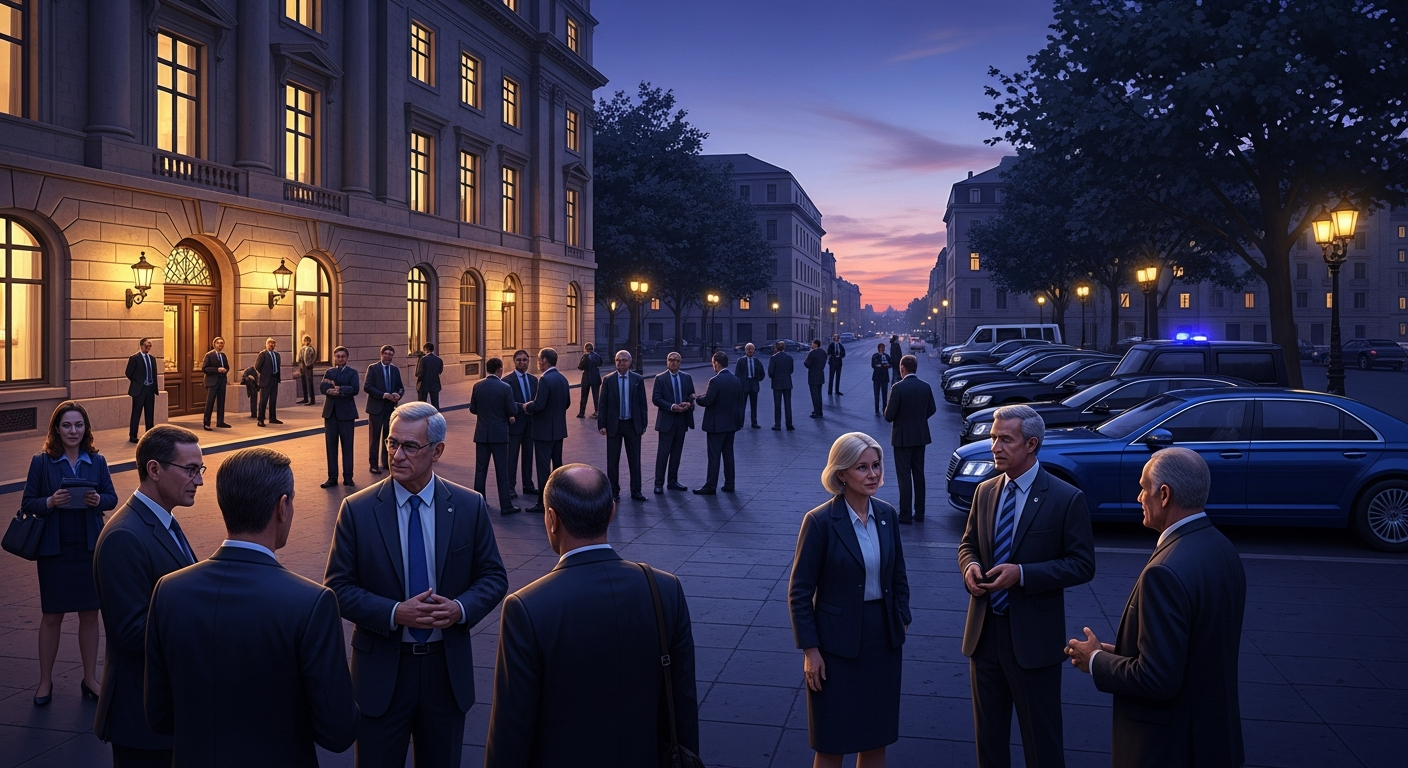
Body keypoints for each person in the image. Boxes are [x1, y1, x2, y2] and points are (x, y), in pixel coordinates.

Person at [145, 448, 358, 766]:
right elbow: (338, 732)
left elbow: (159, 717)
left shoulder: (169, 591)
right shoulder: (311, 603)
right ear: (282, 507)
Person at [323, 402, 509, 768]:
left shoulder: (469, 506)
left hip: (445, 674)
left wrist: (460, 609)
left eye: (410, 446)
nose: (396, 455)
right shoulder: (357, 510)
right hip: (381, 677)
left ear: (437, 451)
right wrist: (395, 613)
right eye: (392, 444)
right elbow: (337, 587)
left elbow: (493, 577)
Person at [484, 464, 699, 766]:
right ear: (611, 513)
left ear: (551, 519)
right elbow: (683, 703)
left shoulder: (527, 607)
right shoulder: (665, 589)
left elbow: (512, 731)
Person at [1065, 447, 1246, 768]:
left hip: (1167, 748)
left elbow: (1157, 680)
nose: (1138, 498)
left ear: (1164, 494)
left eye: (1143, 488)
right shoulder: (1221, 549)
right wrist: (1120, 652)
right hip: (1213, 740)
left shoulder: (1163, 572)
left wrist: (1094, 660)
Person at [958, 404, 1096, 768]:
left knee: (1042, 744)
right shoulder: (985, 491)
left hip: (1034, 642)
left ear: (1031, 444)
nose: (994, 447)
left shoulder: (1067, 499)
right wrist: (970, 566)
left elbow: (1082, 565)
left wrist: (1023, 574)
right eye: (993, 438)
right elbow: (968, 543)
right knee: (988, 742)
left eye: (1006, 439)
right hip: (984, 635)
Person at [789, 432, 910, 766]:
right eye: (862, 467)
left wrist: (902, 616)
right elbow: (799, 592)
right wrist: (811, 650)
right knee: (832, 742)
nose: (873, 474)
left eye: (876, 465)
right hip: (835, 646)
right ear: (841, 473)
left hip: (882, 640)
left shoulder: (886, 515)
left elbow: (898, 574)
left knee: (876, 739)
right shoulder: (820, 522)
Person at [93, 426, 203, 768]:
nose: (198, 480)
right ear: (154, 470)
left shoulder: (161, 518)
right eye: (190, 470)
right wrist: (208, 625)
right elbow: (130, 632)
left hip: (165, 714)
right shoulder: (124, 536)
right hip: (141, 720)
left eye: (200, 469)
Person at [22, 402, 117, 707]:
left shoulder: (97, 461)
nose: (73, 431)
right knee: (52, 616)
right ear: (56, 429)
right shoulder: (42, 462)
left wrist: (97, 499)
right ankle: (45, 681)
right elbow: (28, 503)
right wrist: (50, 501)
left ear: (85, 428)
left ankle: (90, 679)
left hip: (89, 547)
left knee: (90, 614)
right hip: (55, 548)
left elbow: (111, 498)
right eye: (67, 425)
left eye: (78, 425)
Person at [884, 355, 936, 524]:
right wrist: (919, 420)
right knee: (919, 474)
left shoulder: (898, 388)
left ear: (902, 368)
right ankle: (919, 512)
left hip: (902, 438)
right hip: (920, 436)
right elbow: (932, 409)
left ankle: (905, 514)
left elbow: (889, 416)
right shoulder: (925, 387)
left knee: (904, 475)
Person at [470, 357, 519, 515]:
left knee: (480, 470)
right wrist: (507, 415)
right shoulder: (505, 387)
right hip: (499, 434)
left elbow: (473, 409)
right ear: (499, 369)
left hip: (482, 434)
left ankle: (478, 502)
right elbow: (513, 409)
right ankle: (506, 505)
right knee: (501, 470)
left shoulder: (477, 386)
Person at [598, 350, 648, 501]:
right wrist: (602, 424)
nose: (621, 363)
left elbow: (642, 404)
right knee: (613, 461)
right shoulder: (608, 380)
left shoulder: (638, 379)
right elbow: (602, 404)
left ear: (630, 362)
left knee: (635, 459)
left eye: (624, 360)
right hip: (615, 425)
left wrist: (643, 424)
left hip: (632, 425)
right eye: (618, 360)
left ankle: (636, 491)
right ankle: (613, 492)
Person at [525, 347, 570, 514]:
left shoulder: (544, 379)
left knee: (543, 468)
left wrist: (526, 406)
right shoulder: (562, 379)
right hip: (558, 430)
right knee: (557, 466)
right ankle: (559, 499)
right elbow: (567, 404)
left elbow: (539, 405)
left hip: (543, 431)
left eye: (539, 359)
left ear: (544, 361)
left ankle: (543, 503)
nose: (538, 362)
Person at [694, 351, 742, 495]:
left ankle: (710, 486)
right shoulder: (736, 380)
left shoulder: (715, 381)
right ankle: (729, 484)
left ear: (716, 363)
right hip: (731, 424)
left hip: (716, 425)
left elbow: (708, 400)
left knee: (714, 456)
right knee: (728, 454)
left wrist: (696, 398)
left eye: (713, 363)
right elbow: (740, 402)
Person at [652, 351, 696, 494]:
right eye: (671, 360)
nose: (674, 362)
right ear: (667, 361)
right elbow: (656, 399)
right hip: (667, 421)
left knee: (677, 453)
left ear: (680, 362)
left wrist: (688, 404)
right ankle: (658, 483)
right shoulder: (660, 378)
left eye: (677, 360)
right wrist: (672, 407)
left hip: (681, 421)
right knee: (663, 454)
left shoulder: (687, 378)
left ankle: (672, 481)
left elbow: (691, 396)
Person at [320, 346, 360, 489]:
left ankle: (348, 478)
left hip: (347, 415)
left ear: (347, 358)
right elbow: (323, 387)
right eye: (337, 356)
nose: (340, 359)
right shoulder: (329, 371)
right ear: (334, 357)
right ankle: (332, 478)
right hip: (330, 414)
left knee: (347, 446)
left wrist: (340, 389)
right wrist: (329, 390)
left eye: (343, 356)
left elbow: (355, 389)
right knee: (331, 447)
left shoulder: (352, 373)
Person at [364, 345, 404, 476]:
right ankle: (373, 465)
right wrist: (383, 394)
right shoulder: (373, 368)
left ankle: (386, 462)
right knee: (374, 438)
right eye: (386, 353)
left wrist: (398, 394)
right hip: (375, 408)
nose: (388, 356)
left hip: (389, 409)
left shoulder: (395, 370)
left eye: (390, 354)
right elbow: (367, 386)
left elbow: (400, 387)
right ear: (381, 354)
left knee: (388, 438)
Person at [504, 350, 538, 501]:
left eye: (524, 360)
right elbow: (506, 403)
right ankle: (510, 487)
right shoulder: (507, 381)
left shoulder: (534, 380)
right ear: (514, 361)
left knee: (528, 455)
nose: (522, 362)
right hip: (515, 423)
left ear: (528, 361)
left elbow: (537, 400)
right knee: (512, 457)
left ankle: (528, 485)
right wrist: (523, 407)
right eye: (519, 360)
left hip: (530, 424)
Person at [124, 337, 159, 443]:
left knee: (149, 413)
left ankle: (150, 434)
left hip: (150, 389)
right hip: (139, 389)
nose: (148, 348)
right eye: (147, 345)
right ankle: (133, 435)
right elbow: (128, 373)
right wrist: (139, 381)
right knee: (136, 412)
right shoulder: (134, 358)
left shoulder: (152, 359)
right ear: (141, 345)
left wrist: (153, 386)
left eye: (150, 346)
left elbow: (154, 373)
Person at [200, 337, 232, 430]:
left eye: (222, 343)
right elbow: (205, 368)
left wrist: (225, 370)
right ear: (214, 344)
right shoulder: (209, 355)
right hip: (212, 382)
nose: (220, 345)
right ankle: (206, 423)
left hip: (222, 381)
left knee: (221, 402)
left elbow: (227, 366)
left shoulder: (223, 356)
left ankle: (220, 421)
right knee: (210, 403)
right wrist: (217, 370)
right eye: (218, 343)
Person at [735, 342, 767, 428]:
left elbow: (762, 373)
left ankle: (754, 422)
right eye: (748, 349)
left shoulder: (757, 361)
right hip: (744, 385)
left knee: (754, 405)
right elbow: (737, 374)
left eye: (752, 349)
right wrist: (740, 383)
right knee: (742, 405)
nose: (750, 351)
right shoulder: (741, 361)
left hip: (754, 385)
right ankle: (740, 423)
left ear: (754, 350)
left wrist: (757, 379)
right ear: (745, 350)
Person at [255, 337, 284, 427]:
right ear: (267, 344)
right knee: (263, 400)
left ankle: (272, 418)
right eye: (270, 343)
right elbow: (257, 367)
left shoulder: (277, 355)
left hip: (274, 379)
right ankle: (261, 419)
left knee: (273, 399)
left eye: (273, 343)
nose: (272, 345)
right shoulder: (263, 354)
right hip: (265, 380)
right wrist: (265, 374)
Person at [769, 340, 795, 430]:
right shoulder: (789, 357)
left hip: (777, 383)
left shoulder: (773, 358)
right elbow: (791, 370)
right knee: (788, 404)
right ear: (784, 347)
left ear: (776, 347)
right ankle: (789, 424)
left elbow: (770, 373)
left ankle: (777, 424)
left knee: (777, 405)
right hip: (787, 383)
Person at [576, 342, 603, 419]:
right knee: (596, 396)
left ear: (586, 349)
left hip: (587, 377)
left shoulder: (585, 356)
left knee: (584, 396)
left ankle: (582, 413)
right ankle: (597, 411)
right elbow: (600, 363)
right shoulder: (597, 356)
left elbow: (580, 367)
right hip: (596, 376)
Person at [416, 342, 444, 409]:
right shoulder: (439, 360)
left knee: (422, 404)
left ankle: (423, 417)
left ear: (426, 349)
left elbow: (419, 372)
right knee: (435, 404)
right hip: (435, 383)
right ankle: (436, 417)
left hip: (424, 384)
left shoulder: (423, 359)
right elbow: (440, 371)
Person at [804, 339, 827, 418]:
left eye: (812, 343)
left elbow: (807, 364)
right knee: (819, 394)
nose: (811, 345)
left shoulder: (812, 353)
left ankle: (817, 412)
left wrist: (806, 359)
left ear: (816, 344)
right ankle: (819, 410)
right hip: (820, 375)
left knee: (814, 395)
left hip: (813, 376)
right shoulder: (823, 352)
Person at [870, 342, 891, 415]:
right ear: (878, 348)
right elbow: (873, 365)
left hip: (884, 377)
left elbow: (890, 364)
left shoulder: (887, 356)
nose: (882, 349)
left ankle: (884, 409)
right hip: (877, 377)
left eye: (883, 347)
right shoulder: (875, 356)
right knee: (876, 394)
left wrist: (887, 365)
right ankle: (876, 410)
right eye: (881, 347)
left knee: (884, 394)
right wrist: (881, 365)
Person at [297, 334, 318, 406]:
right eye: (305, 341)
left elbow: (314, 358)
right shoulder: (302, 349)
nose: (306, 342)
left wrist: (310, 364)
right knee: (304, 382)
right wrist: (300, 365)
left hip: (309, 367)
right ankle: (305, 398)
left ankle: (312, 400)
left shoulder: (311, 349)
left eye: (308, 340)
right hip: (303, 367)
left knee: (310, 383)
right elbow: (299, 358)